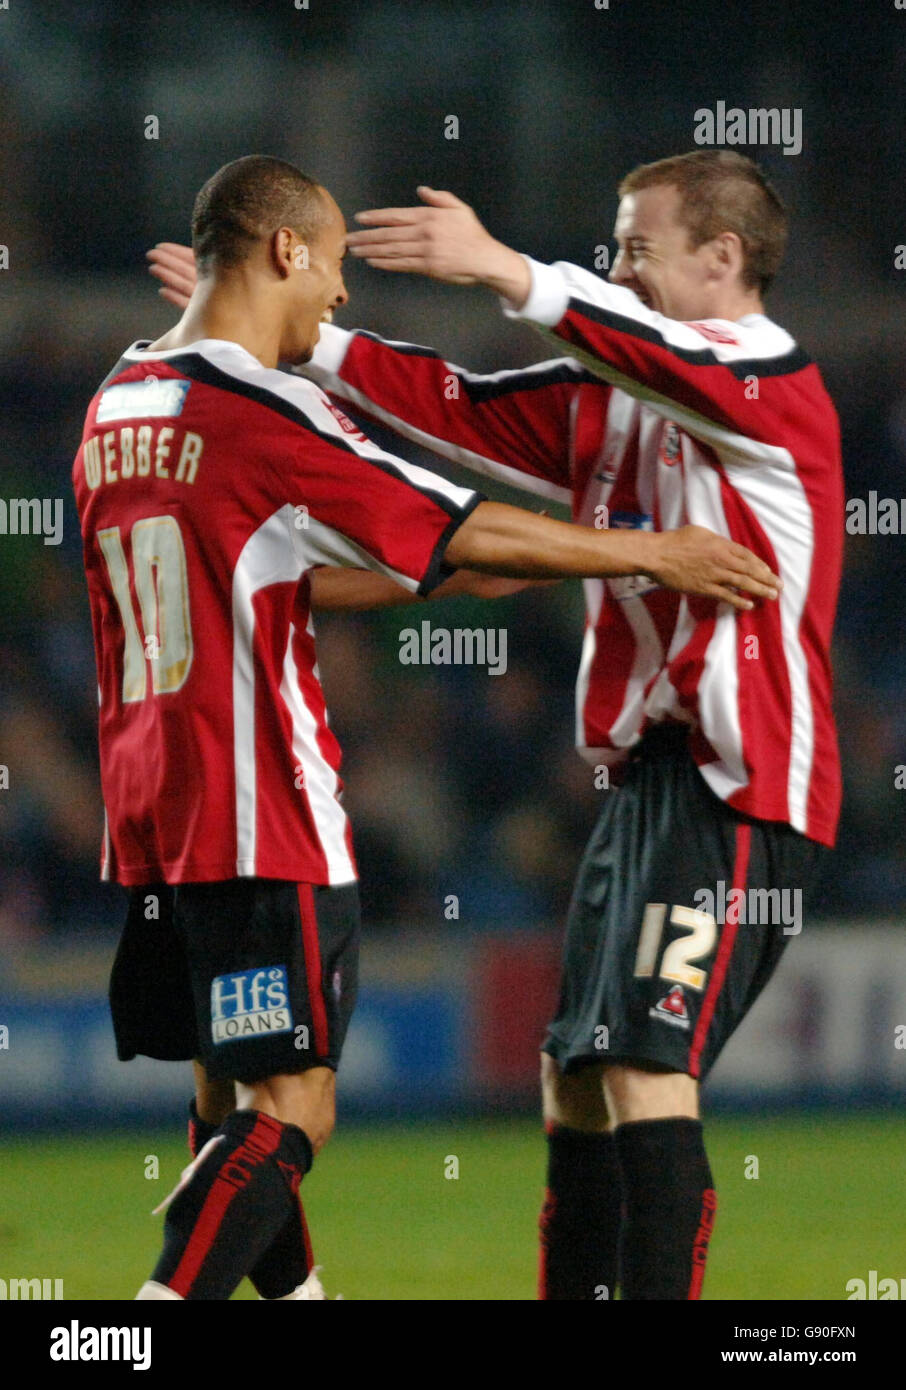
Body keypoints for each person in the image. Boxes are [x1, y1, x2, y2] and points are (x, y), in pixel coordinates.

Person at [73, 154, 776, 1303]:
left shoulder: (120, 399)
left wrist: (443, 578)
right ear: (287, 251)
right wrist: (652, 550)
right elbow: (457, 520)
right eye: (337, 263)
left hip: (154, 809)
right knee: (293, 1108)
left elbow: (253, 565)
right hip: (265, 808)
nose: (341, 295)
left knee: (226, 1103)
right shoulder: (262, 408)